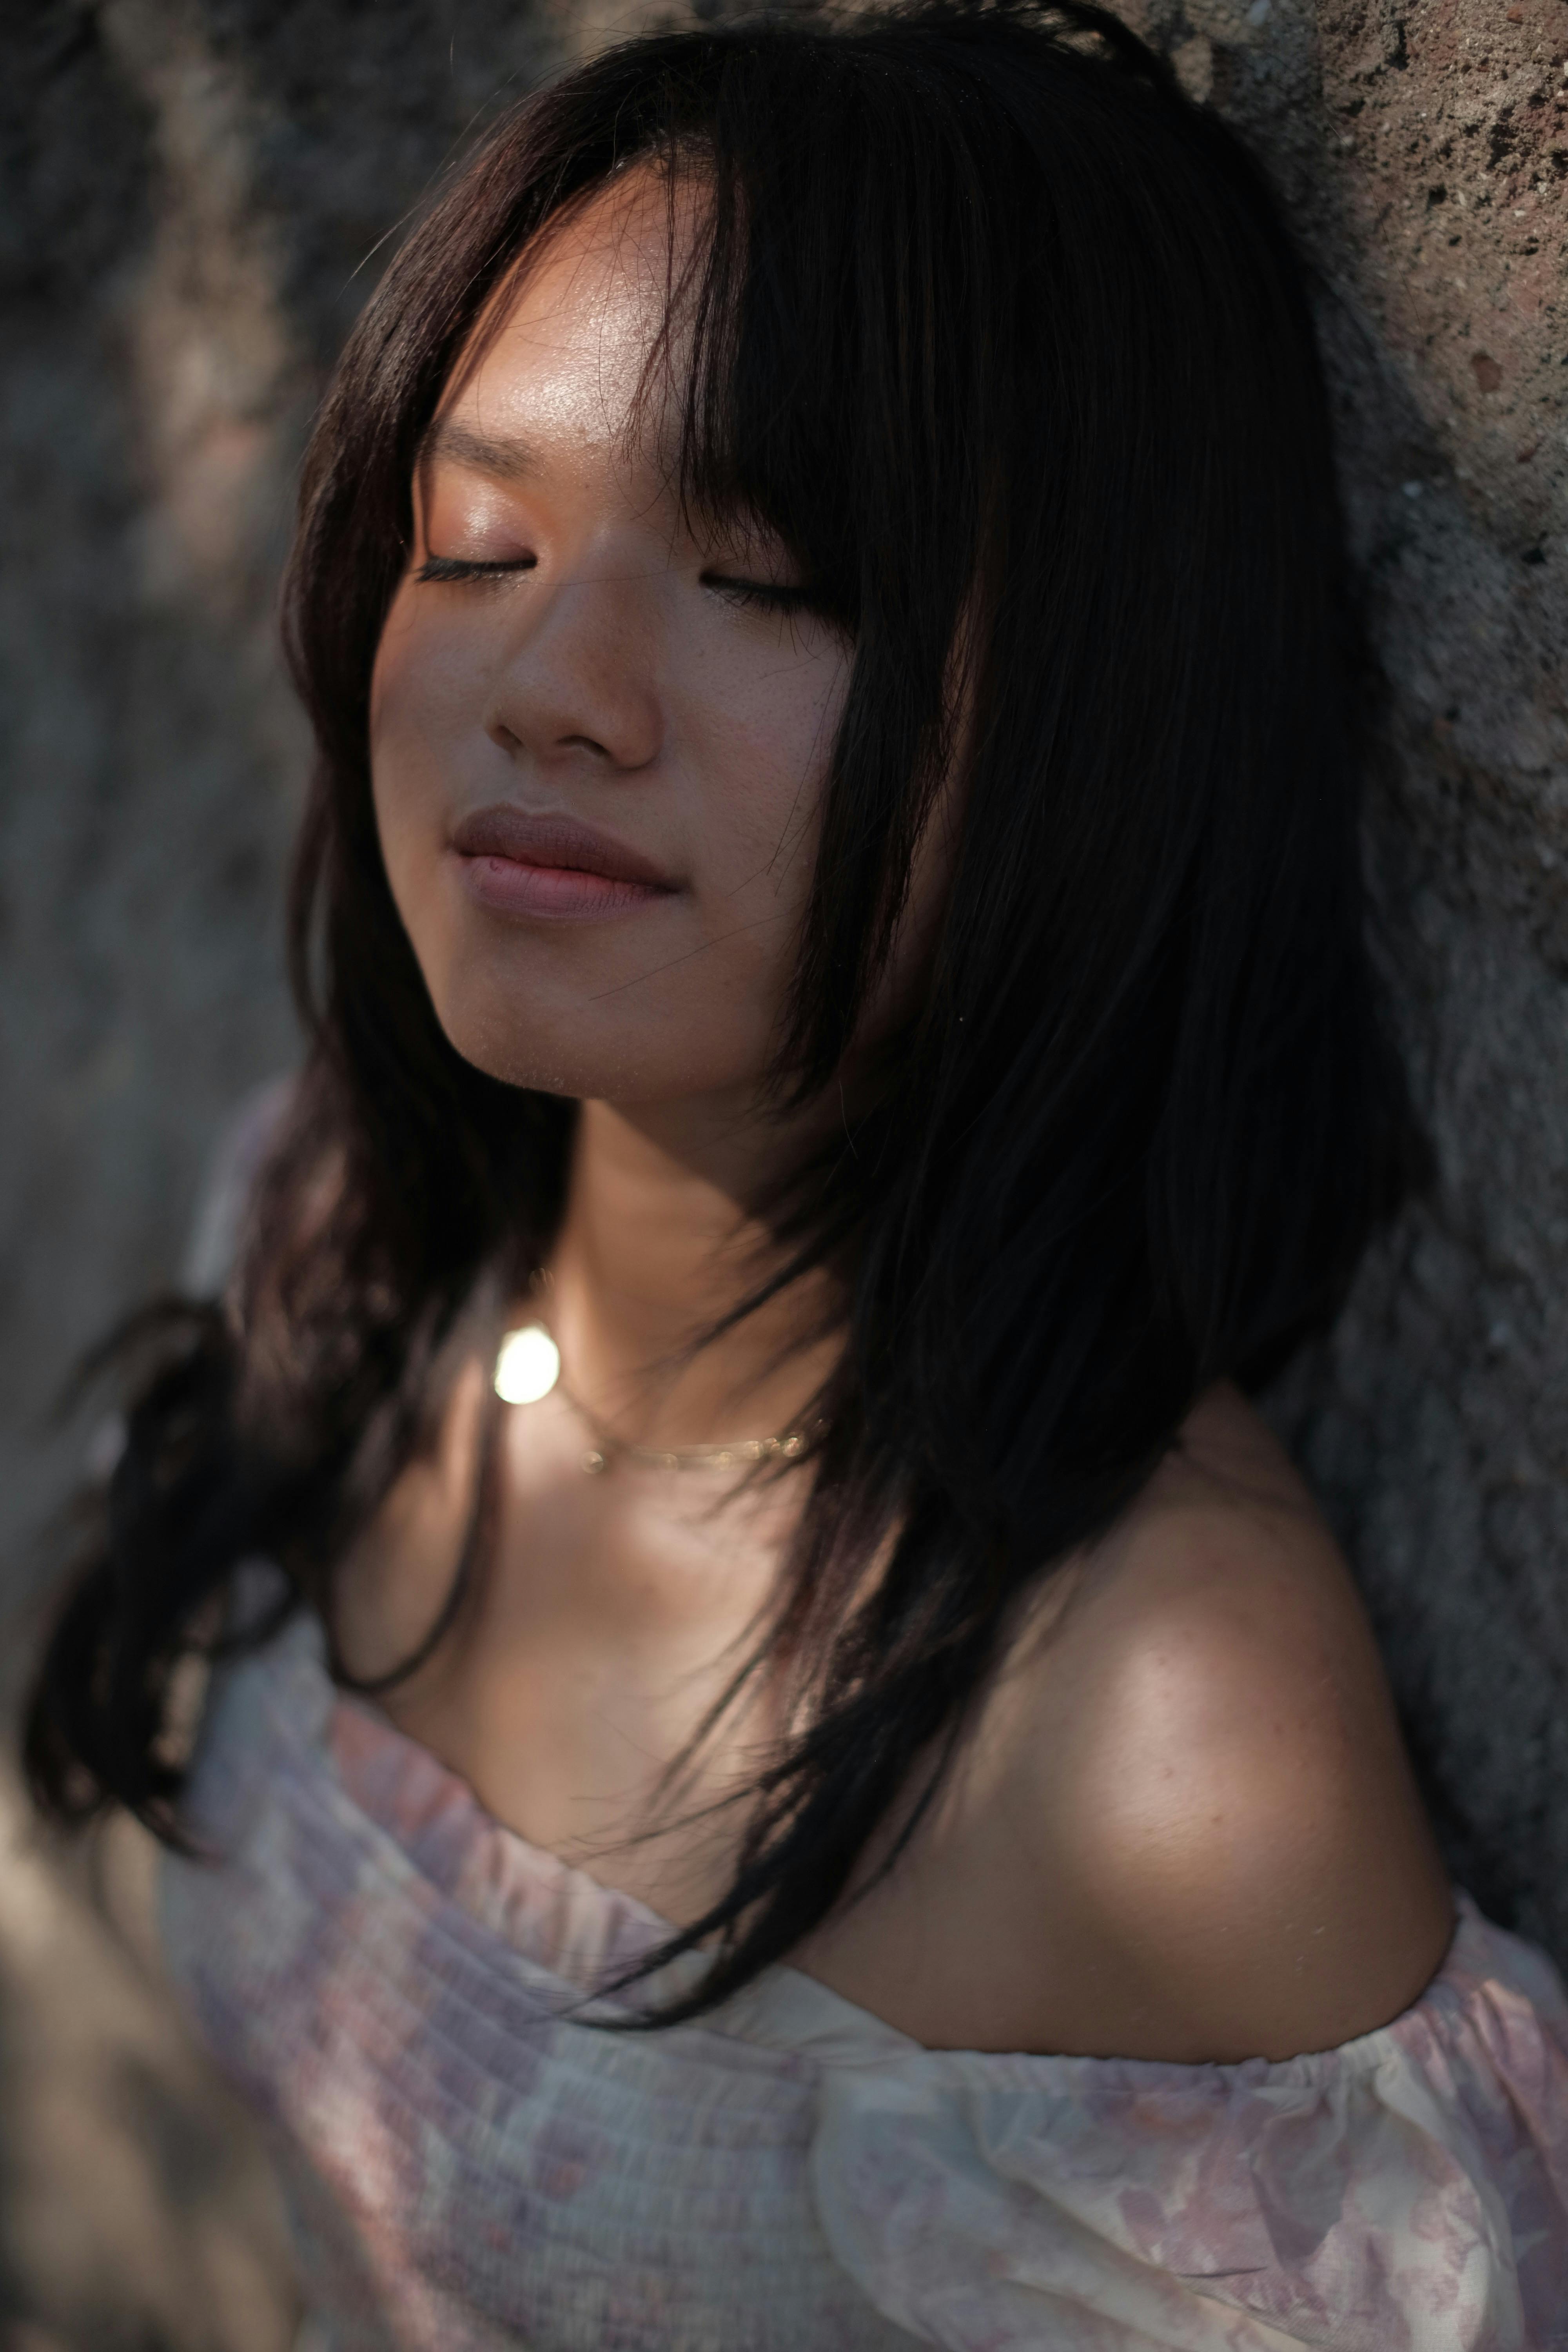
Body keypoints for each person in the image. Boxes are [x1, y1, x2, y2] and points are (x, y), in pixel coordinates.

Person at [25, 3, 1568, 2342]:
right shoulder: (339, 1235)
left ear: (1095, 708)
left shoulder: (1161, 1740)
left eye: (769, 579)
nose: (554, 680)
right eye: (476, 540)